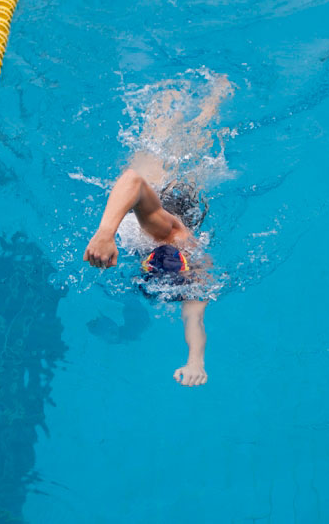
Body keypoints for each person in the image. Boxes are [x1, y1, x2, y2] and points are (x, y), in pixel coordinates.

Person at [83, 75, 231, 387]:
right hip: (172, 201)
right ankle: (201, 95)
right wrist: (105, 233)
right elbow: (132, 180)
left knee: (170, 144)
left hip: (168, 217)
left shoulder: (194, 278)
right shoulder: (165, 235)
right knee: (165, 141)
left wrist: (195, 362)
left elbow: (195, 320)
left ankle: (205, 99)